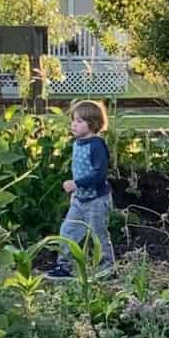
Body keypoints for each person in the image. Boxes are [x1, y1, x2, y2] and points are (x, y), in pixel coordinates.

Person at [52, 97, 117, 274]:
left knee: (98, 235)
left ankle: (107, 269)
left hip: (96, 200)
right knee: (67, 230)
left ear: (93, 123)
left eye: (79, 121)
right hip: (79, 199)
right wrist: (76, 188)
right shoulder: (77, 143)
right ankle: (64, 267)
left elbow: (99, 174)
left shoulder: (97, 145)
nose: (73, 124)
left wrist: (76, 183)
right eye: (73, 120)